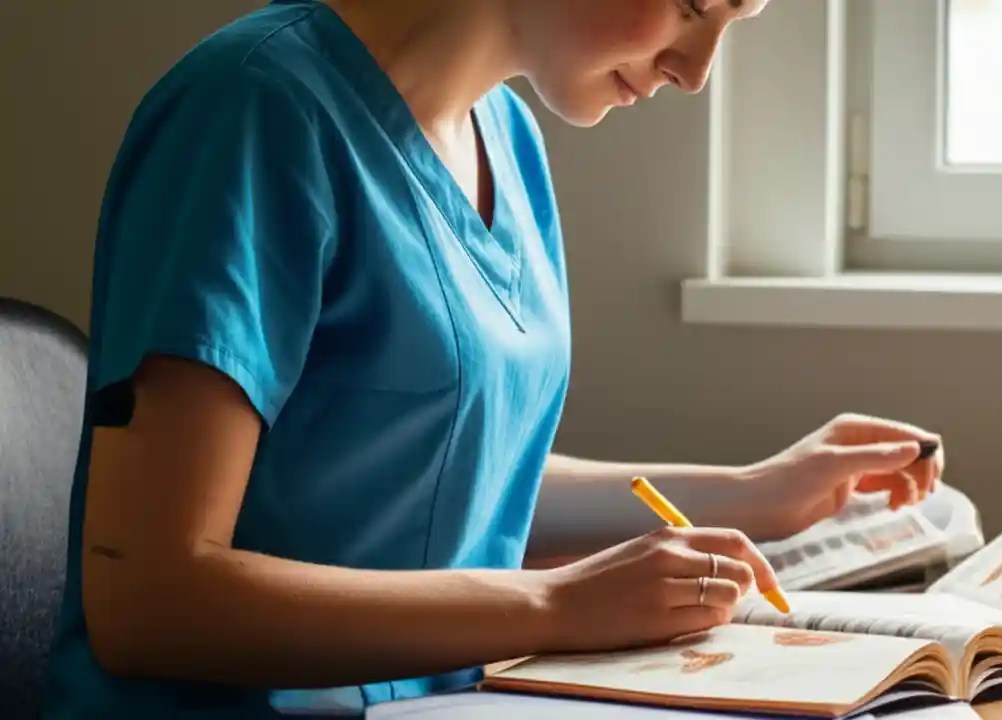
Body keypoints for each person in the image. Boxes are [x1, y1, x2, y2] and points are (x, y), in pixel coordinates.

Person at [43, 0, 945, 717]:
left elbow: (433, 475)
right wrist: (554, 609)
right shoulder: (250, 114)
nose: (696, 72)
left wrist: (756, 492)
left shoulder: (505, 138)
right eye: (689, 7)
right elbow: (150, 600)